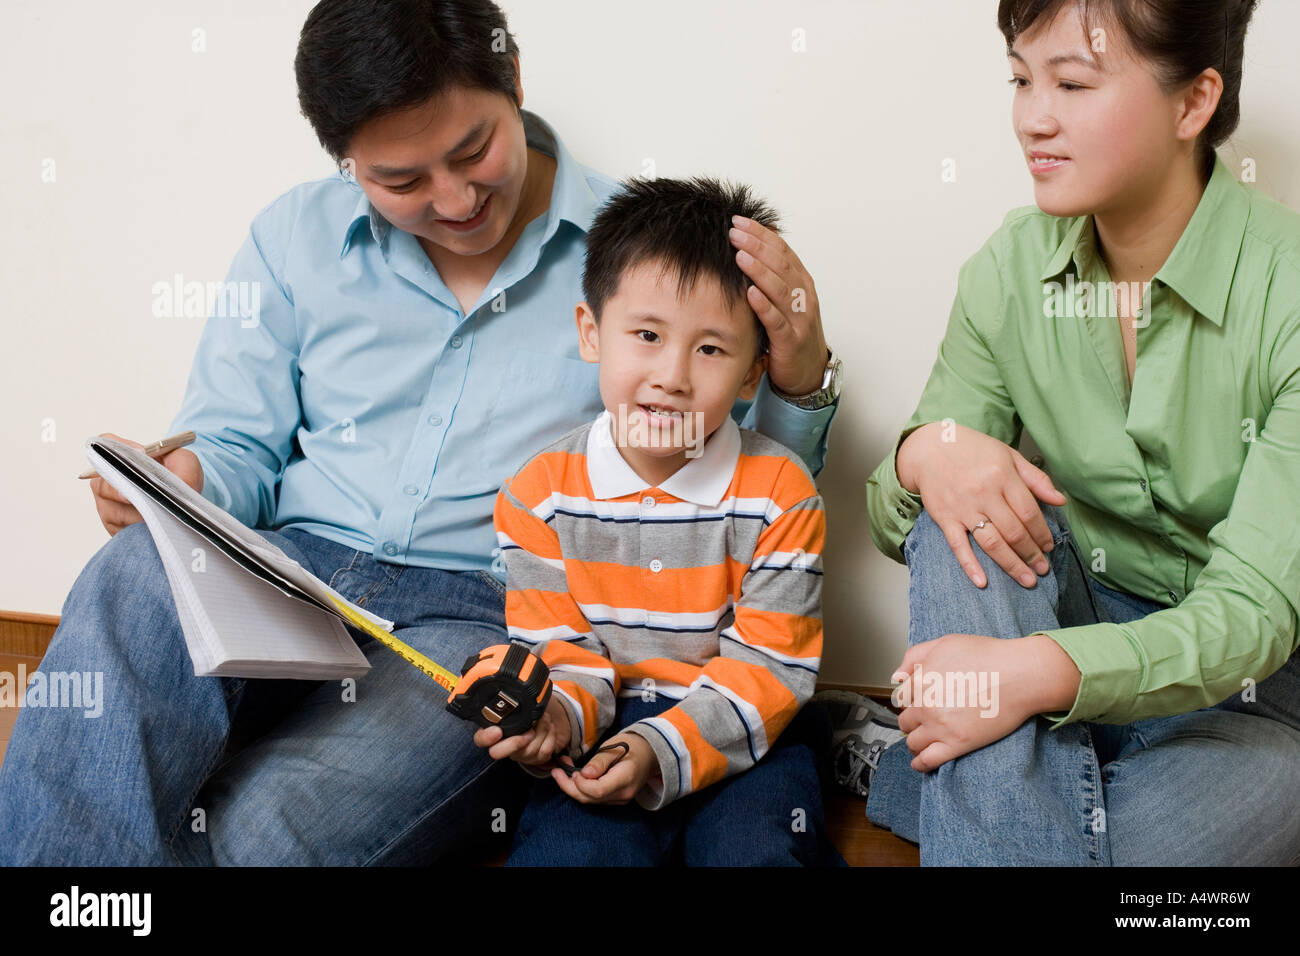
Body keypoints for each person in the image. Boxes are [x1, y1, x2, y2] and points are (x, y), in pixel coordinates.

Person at [0, 0, 841, 865]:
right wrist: (188, 480)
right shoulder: (295, 236)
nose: (456, 200)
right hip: (288, 571)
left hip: (471, 618)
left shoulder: (642, 260)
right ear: (346, 161)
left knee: (262, 835)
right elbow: (236, 447)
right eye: (401, 181)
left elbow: (731, 477)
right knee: (132, 575)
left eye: (473, 151)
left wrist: (801, 374)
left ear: (514, 79)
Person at [860, 0, 1300, 865]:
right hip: (1074, 606)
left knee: (1268, 797)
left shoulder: (1287, 292)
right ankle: (1008, 790)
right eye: (1021, 80)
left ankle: (918, 779)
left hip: (1252, 699)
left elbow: (1253, 616)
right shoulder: (1010, 269)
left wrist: (1033, 676)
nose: (1033, 118)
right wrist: (923, 456)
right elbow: (893, 520)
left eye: (1071, 83)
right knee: (959, 514)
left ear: (1193, 102)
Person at [477, 177, 841, 865]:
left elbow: (770, 669)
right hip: (604, 726)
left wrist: (661, 748)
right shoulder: (537, 495)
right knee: (568, 856)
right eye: (647, 335)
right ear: (592, 333)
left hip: (748, 719)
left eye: (710, 349)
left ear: (751, 375)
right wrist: (554, 719)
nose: (672, 375)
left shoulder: (781, 494)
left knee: (755, 852)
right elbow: (562, 652)